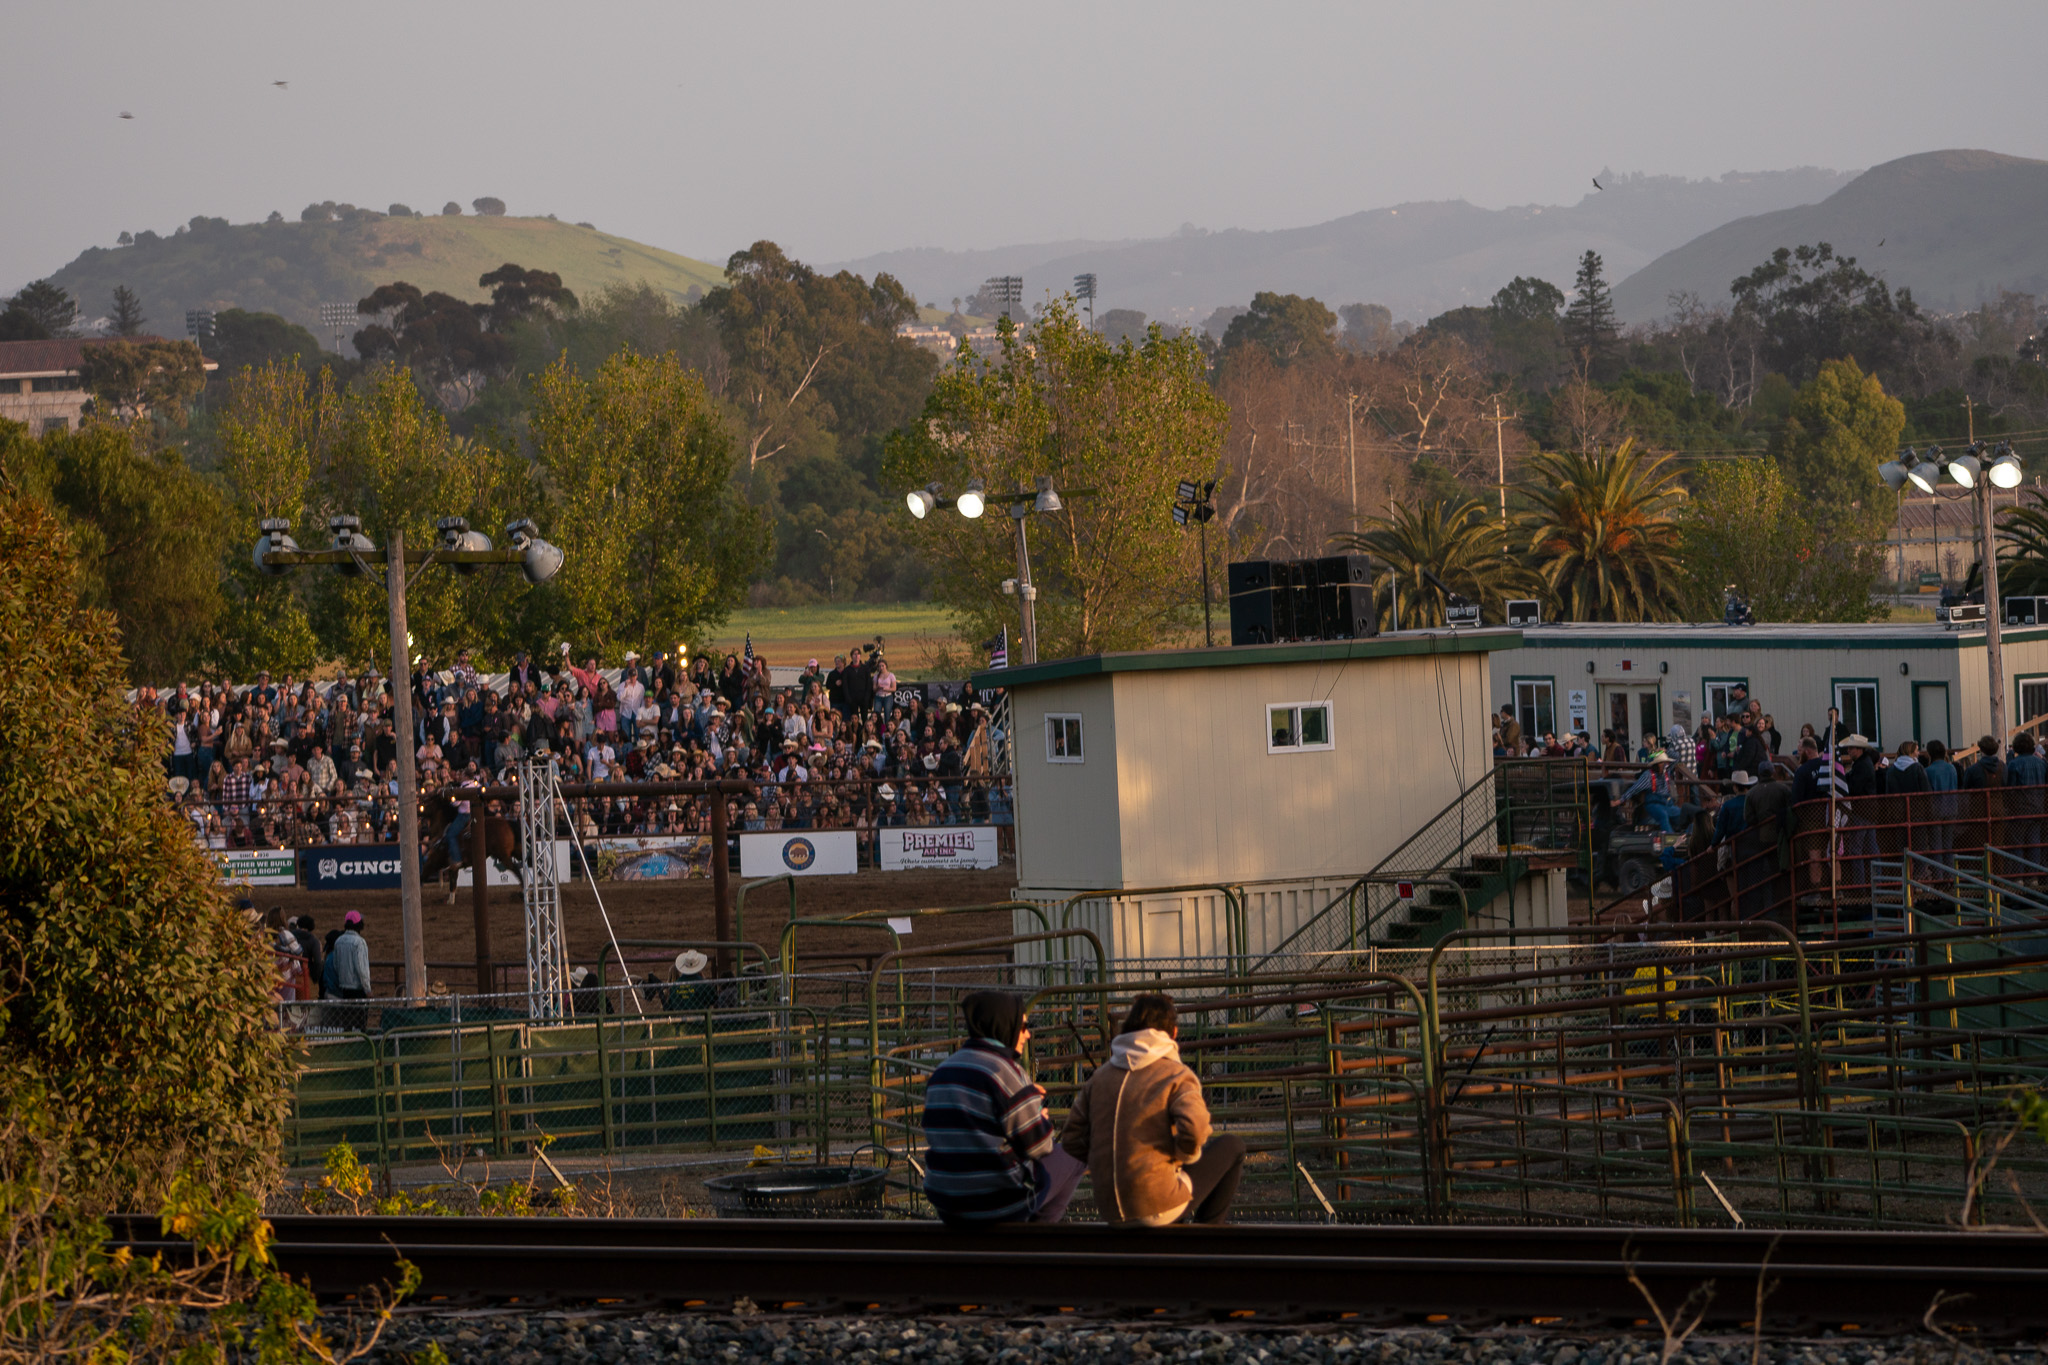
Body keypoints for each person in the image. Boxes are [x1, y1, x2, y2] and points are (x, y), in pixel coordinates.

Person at [1060, 993, 1246, 1227]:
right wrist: (1181, 1157)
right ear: (1174, 1034)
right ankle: (1207, 1238)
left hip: (1111, 1210)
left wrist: (1110, 1160)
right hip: (1156, 1205)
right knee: (1233, 1146)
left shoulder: (1098, 1079)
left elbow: (1071, 1139)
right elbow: (1195, 1130)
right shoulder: (1175, 1075)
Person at [921, 991, 1083, 1227]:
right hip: (997, 1204)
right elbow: (1040, 1146)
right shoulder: (1006, 1072)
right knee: (1076, 1154)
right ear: (1003, 1025)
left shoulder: (942, 1072)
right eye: (1023, 1026)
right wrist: (1039, 1118)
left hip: (947, 1204)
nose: (1027, 1034)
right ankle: (1039, 1242)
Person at [331, 910, 371, 1008]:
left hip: (344, 988)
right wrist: (368, 989)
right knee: (359, 1019)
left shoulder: (338, 941)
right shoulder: (359, 942)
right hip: (357, 988)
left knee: (347, 1019)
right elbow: (362, 969)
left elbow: (336, 965)